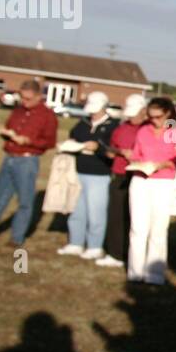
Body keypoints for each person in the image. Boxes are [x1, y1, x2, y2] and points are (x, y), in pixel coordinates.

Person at [0, 79, 57, 246]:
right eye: (22, 98)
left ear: (39, 96)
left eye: (28, 99)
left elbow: (49, 142)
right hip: (9, 157)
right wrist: (6, 134)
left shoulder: (47, 116)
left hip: (27, 160)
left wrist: (28, 141)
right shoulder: (18, 111)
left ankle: (17, 238)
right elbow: (9, 126)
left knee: (24, 201)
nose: (24, 102)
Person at [126, 97, 176, 285]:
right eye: (151, 116)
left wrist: (166, 163)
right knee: (138, 227)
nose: (154, 120)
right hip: (141, 180)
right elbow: (136, 155)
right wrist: (136, 162)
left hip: (163, 182)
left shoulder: (172, 128)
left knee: (158, 228)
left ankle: (154, 273)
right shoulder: (144, 130)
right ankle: (134, 272)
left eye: (158, 117)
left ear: (168, 113)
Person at [57, 91, 117, 261]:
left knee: (96, 212)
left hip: (99, 173)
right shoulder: (82, 123)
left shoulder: (113, 125)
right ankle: (75, 242)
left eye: (96, 109)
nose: (92, 113)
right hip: (78, 171)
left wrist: (98, 147)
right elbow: (73, 137)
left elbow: (112, 150)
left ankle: (94, 245)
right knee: (77, 209)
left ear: (104, 107)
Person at [97, 93, 146, 268]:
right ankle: (115, 253)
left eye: (135, 114)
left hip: (139, 176)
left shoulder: (147, 129)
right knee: (116, 215)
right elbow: (112, 146)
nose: (132, 117)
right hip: (119, 174)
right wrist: (115, 152)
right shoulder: (121, 128)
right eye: (130, 114)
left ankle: (130, 253)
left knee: (134, 218)